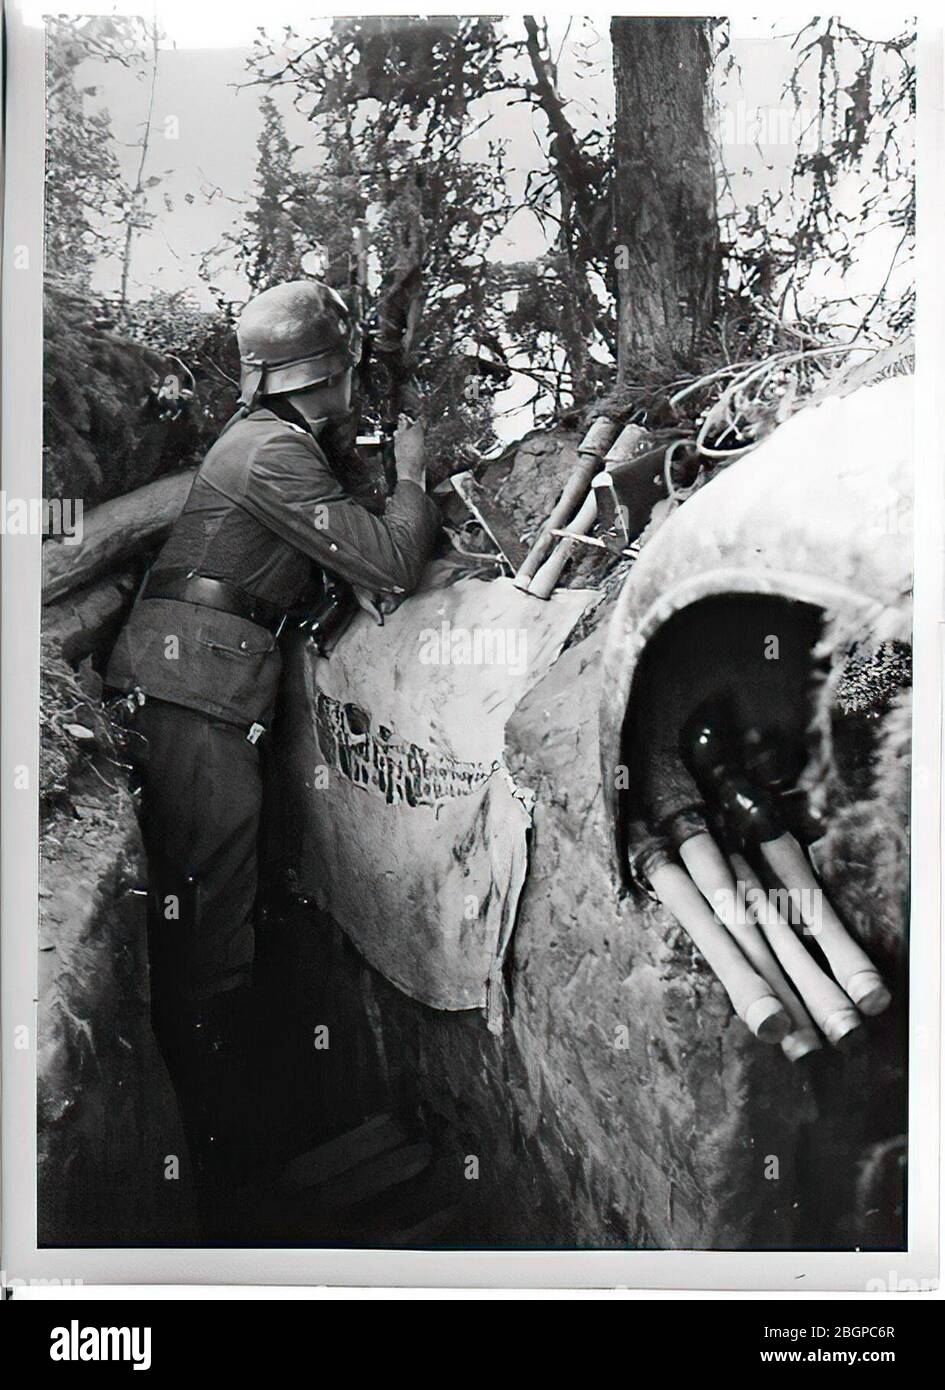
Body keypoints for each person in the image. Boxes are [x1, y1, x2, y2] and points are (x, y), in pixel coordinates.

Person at [106, 280, 440, 1181]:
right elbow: (393, 561)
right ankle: (221, 1153)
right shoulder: (268, 455)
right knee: (209, 910)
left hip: (200, 686)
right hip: (192, 695)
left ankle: (223, 1130)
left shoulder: (275, 444)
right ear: (330, 371)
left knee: (218, 897)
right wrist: (412, 474)